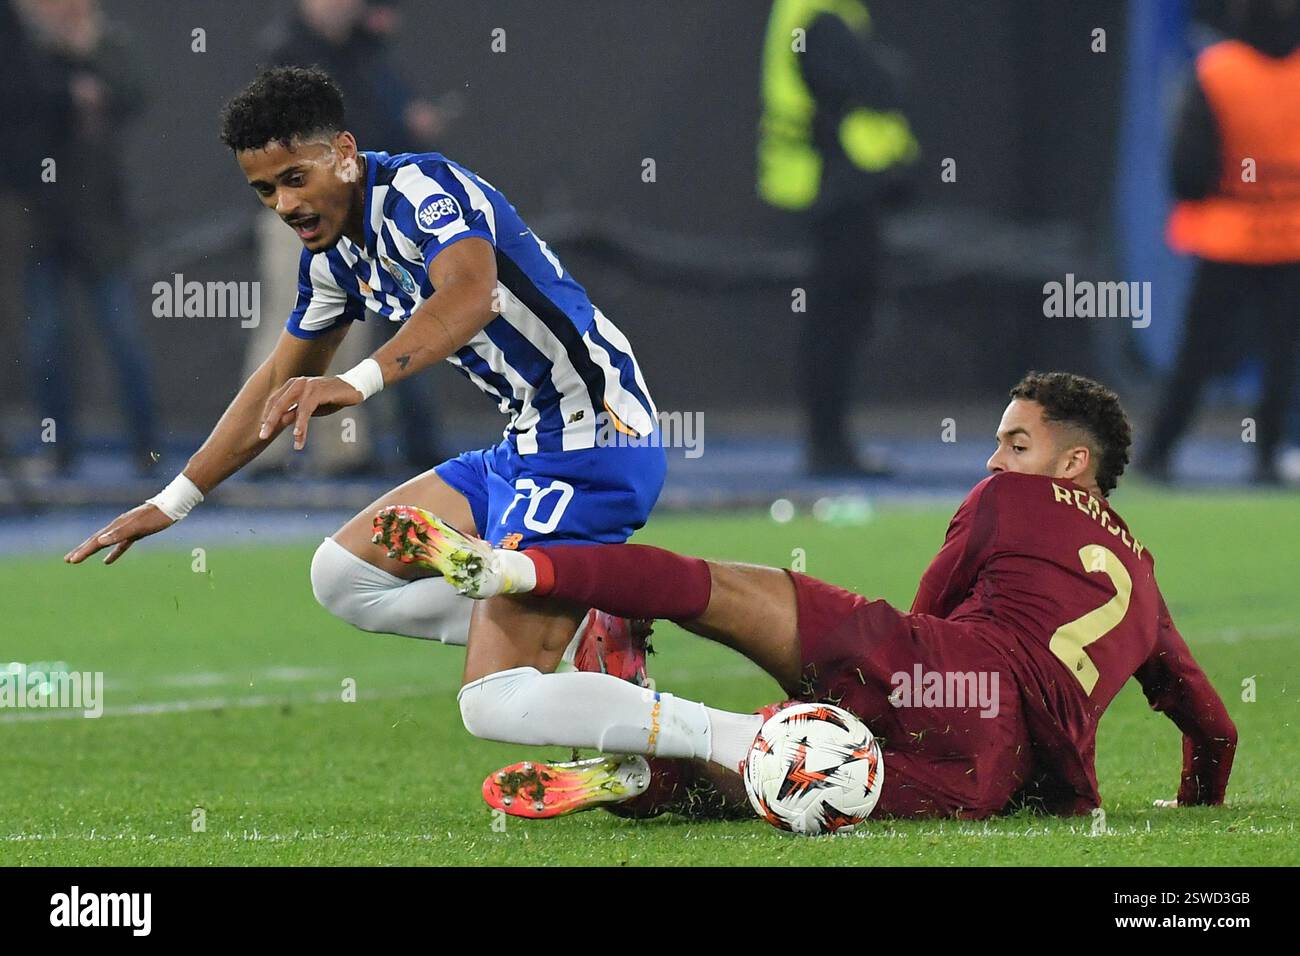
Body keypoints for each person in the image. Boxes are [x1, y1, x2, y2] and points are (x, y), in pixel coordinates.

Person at [377, 372, 1237, 821]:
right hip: (992, 776)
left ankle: (520, 572)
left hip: (935, 668)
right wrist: (1194, 801)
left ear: (1072, 463)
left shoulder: (1011, 499)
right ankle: (643, 780)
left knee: (704, 586)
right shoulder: (1148, 585)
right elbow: (1214, 728)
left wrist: (874, 668)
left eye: (1015, 442)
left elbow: (929, 614)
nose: (993, 461)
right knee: (789, 768)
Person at [64, 67, 664, 695]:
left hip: (596, 435)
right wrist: (173, 501)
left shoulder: (420, 189)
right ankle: (585, 624)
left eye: (297, 178)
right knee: (342, 576)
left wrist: (355, 382)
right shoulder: (332, 258)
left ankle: (728, 744)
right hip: (527, 444)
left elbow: (473, 294)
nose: (285, 204)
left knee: (498, 700)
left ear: (344, 153)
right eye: (265, 189)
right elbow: (276, 381)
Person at [243, 0, 459, 478]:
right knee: (288, 327)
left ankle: (343, 449)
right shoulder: (288, 51)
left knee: (349, 328)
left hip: (350, 210)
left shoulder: (360, 52)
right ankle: (264, 447)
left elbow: (374, 123)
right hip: (301, 212)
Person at [1139, 0, 1300, 485]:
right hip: (1292, 234)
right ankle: (1270, 456)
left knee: (1197, 353)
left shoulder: (1217, 70)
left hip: (1227, 232)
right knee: (1284, 355)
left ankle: (1158, 453)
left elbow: (1188, 170)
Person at [758, 0, 919, 477]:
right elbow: (874, 85)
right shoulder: (820, 15)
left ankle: (831, 446)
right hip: (835, 191)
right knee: (834, 323)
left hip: (837, 190)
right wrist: (886, 73)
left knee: (836, 322)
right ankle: (829, 449)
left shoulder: (823, 13)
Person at [12, 0, 159, 475]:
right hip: (44, 224)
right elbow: (24, 105)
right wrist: (68, 81)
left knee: (124, 341)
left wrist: (86, 55)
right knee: (47, 343)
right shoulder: (25, 50)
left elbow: (135, 91)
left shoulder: (108, 44)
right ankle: (59, 452)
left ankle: (148, 451)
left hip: (102, 226)